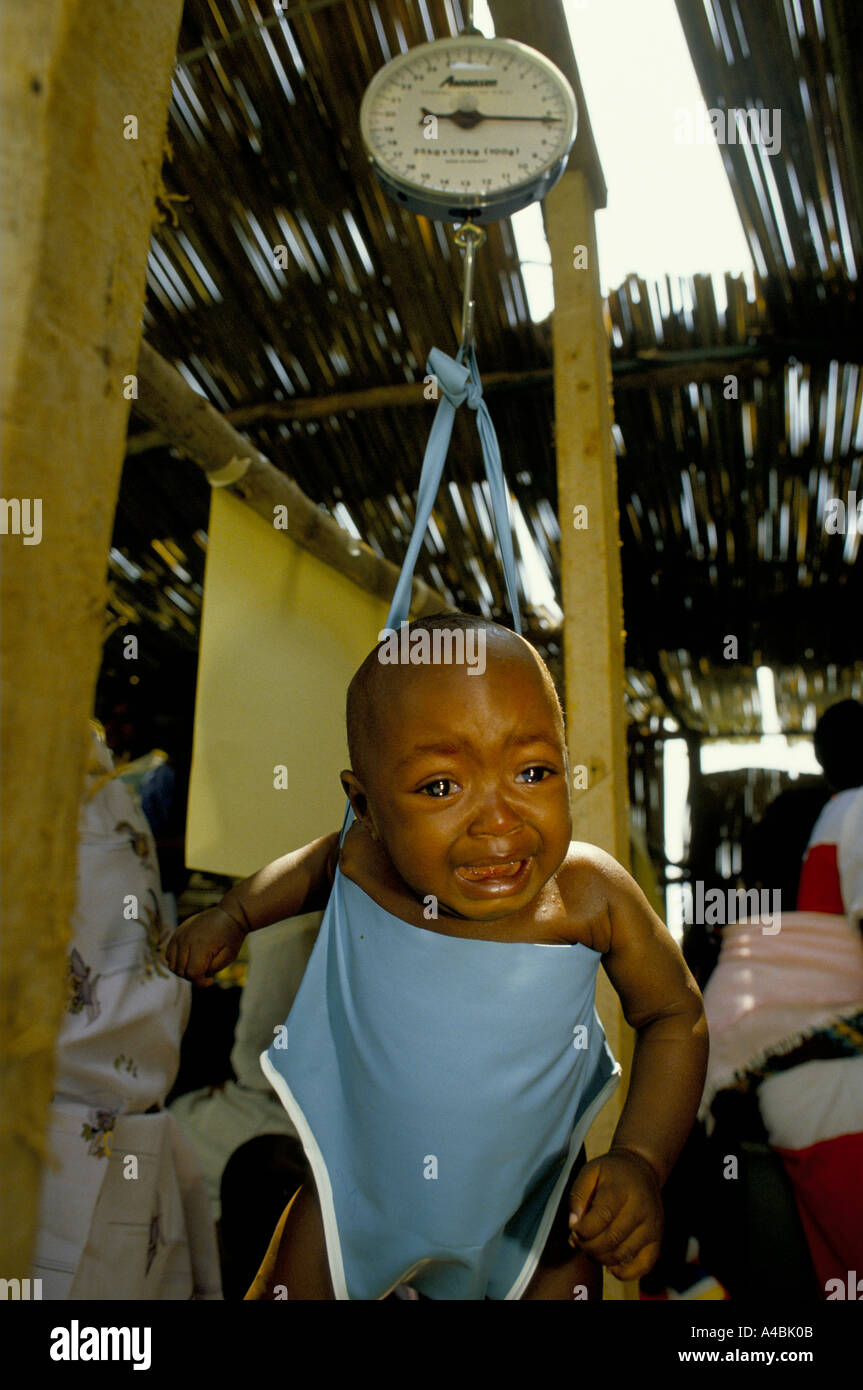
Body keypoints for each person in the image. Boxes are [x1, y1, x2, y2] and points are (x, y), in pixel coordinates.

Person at [167, 616, 708, 1300]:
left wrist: (640, 1158)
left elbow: (673, 1012)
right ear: (363, 803)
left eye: (532, 772)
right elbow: (306, 871)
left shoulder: (587, 894)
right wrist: (233, 915)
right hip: (357, 1201)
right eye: (440, 787)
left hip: (538, 1222)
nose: (498, 820)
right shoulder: (363, 861)